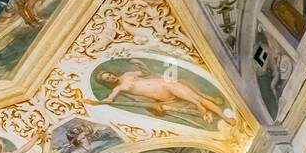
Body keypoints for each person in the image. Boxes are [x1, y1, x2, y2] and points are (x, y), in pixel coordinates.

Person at [93, 66, 230, 124]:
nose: (110, 77)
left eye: (109, 74)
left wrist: (143, 68)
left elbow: (146, 73)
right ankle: (198, 105)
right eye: (107, 79)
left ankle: (225, 117)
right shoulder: (118, 88)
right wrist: (100, 102)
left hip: (164, 83)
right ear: (107, 83)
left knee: (198, 98)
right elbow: (110, 99)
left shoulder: (128, 74)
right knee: (195, 99)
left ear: (111, 72)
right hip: (162, 94)